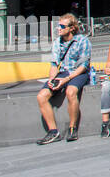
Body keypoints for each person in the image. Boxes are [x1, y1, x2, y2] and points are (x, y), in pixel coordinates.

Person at [36, 13, 92, 144]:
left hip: (78, 73)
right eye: (58, 26)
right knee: (41, 96)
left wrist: (66, 80)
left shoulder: (83, 41)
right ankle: (53, 131)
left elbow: (83, 66)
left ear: (72, 28)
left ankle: (72, 129)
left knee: (71, 92)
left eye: (62, 26)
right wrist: (51, 79)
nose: (58, 28)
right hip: (63, 73)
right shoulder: (57, 43)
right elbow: (54, 64)